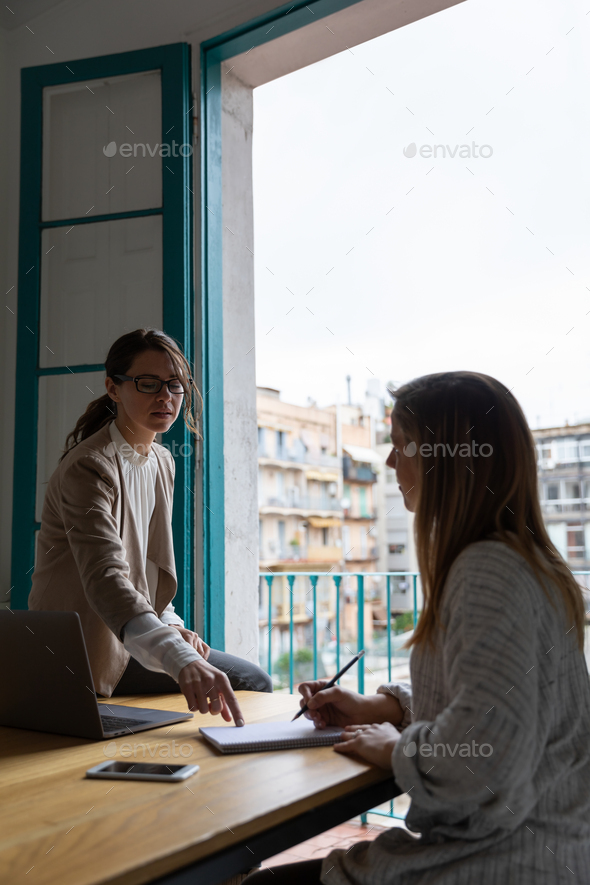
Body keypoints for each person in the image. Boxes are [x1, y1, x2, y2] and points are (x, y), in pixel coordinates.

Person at [245, 371, 590, 883]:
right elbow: (493, 697)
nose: (390, 461)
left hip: (504, 862)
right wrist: (386, 706)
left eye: (402, 445)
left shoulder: (487, 572)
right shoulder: (523, 561)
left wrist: (394, 747)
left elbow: (482, 758)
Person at [29, 328, 272, 723]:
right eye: (148, 383)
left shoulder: (162, 461)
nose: (165, 397)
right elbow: (107, 577)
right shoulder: (89, 467)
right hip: (83, 649)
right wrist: (178, 657)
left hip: (130, 635)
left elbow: (152, 567)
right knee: (249, 681)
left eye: (176, 385)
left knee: (249, 678)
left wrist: (172, 625)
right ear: (114, 388)